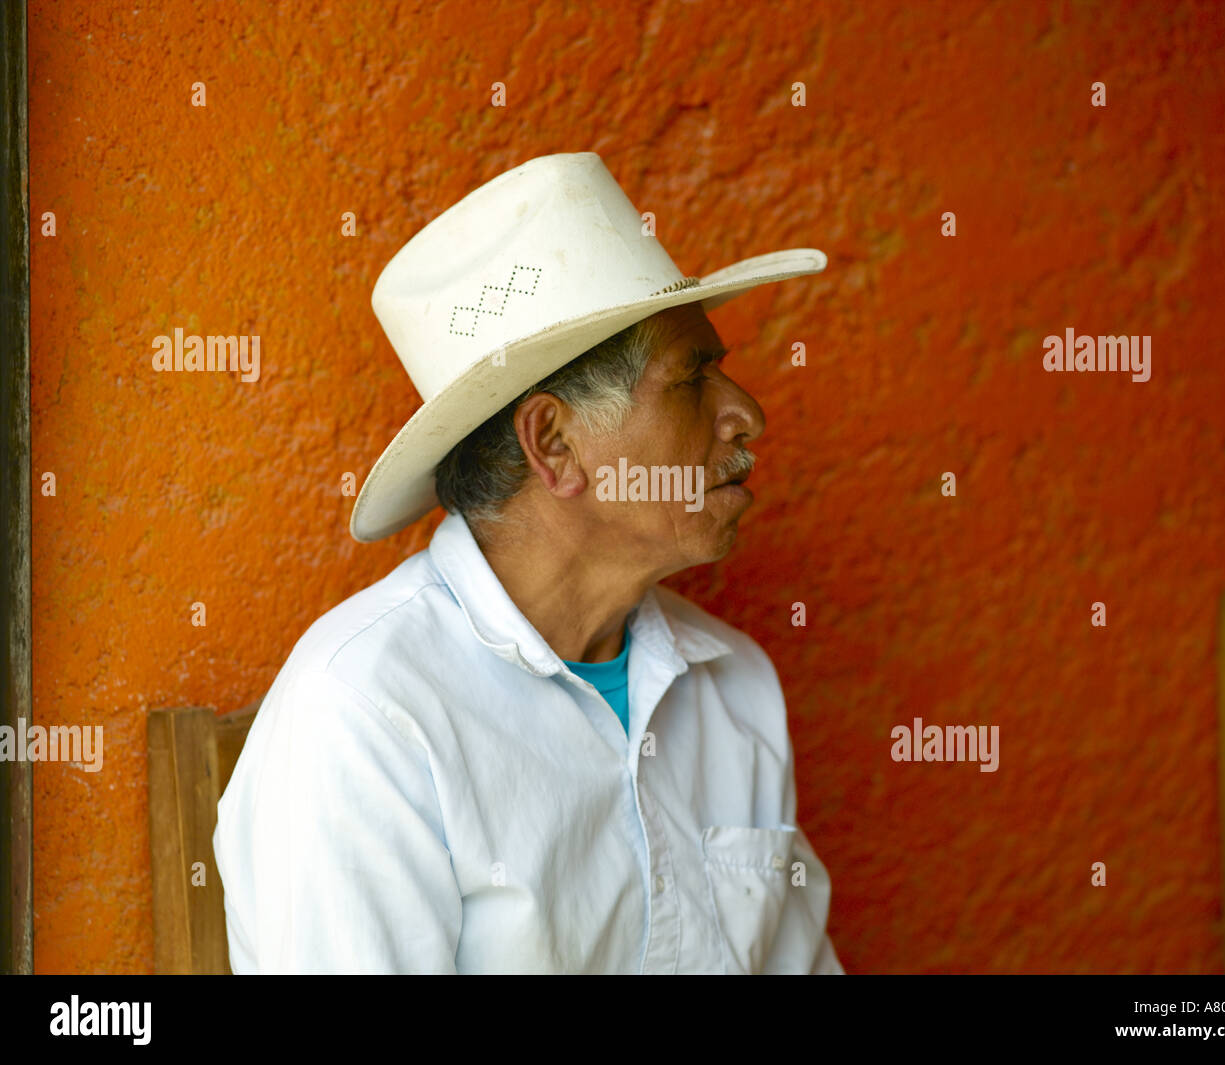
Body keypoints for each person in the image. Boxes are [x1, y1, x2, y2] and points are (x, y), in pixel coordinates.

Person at [213, 151, 843, 974]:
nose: (746, 414)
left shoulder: (736, 686)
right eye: (694, 380)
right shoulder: (366, 718)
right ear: (554, 444)